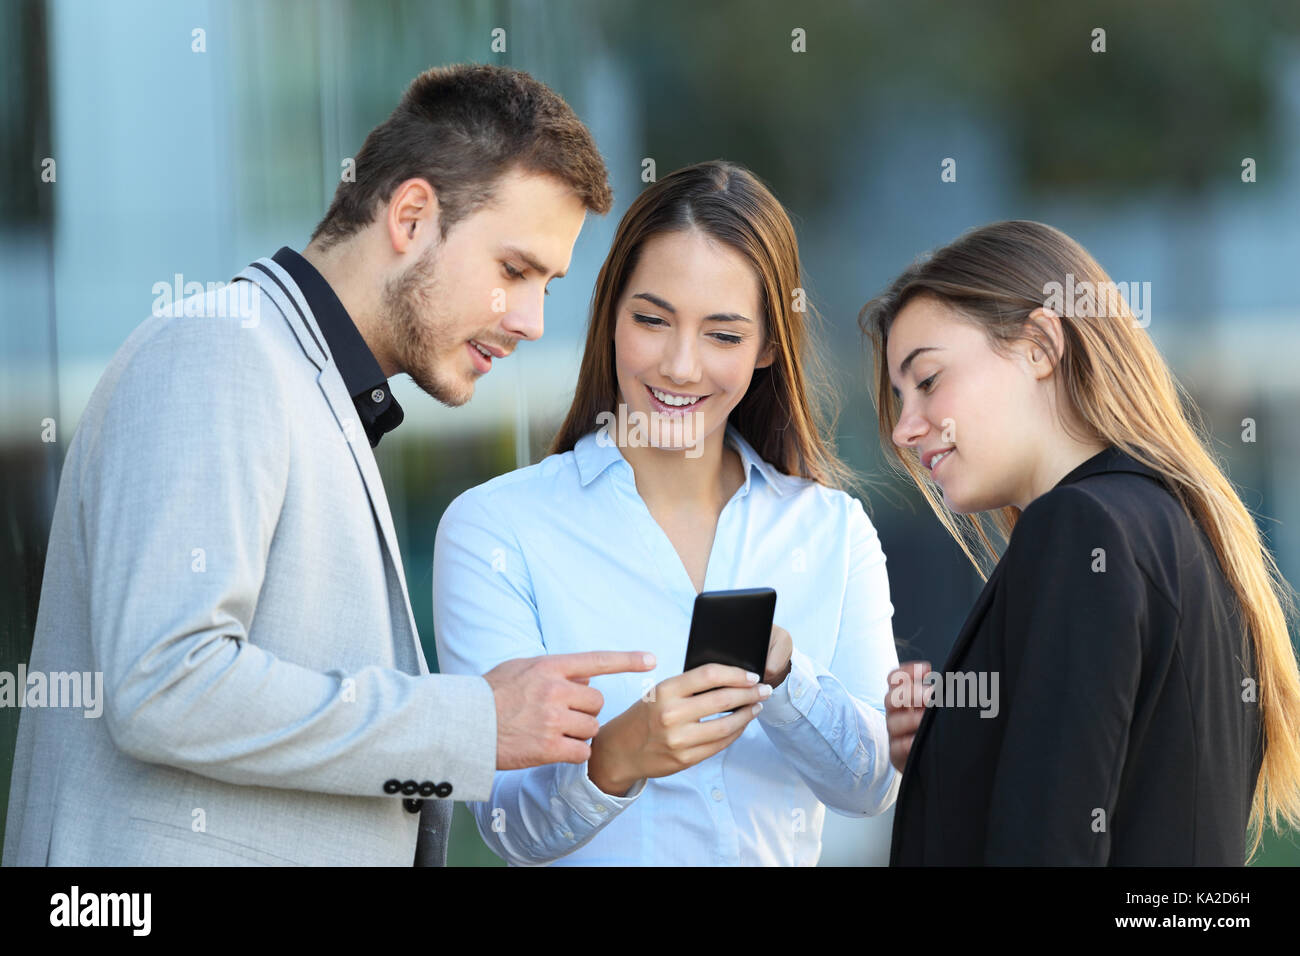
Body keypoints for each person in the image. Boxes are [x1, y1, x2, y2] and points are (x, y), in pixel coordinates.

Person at [2, 63, 656, 867]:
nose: (528, 320)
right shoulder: (221, 352)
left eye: (548, 286)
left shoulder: (306, 383)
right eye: (514, 271)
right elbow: (165, 684)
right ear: (411, 217)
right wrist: (473, 721)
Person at [433, 160, 900, 866]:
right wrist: (616, 758)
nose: (681, 366)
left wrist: (785, 677)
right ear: (612, 316)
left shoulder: (831, 531)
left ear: (770, 345)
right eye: (652, 320)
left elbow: (872, 787)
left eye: (723, 335)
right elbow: (506, 829)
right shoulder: (496, 530)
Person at [863, 219, 1300, 864]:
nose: (904, 429)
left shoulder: (1078, 529)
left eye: (927, 381)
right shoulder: (1180, 526)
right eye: (900, 399)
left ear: (1041, 344)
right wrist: (957, 739)